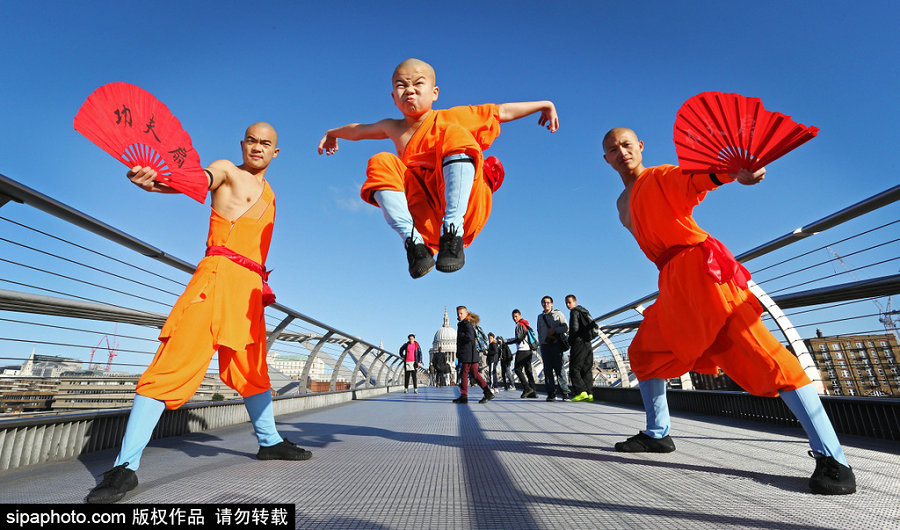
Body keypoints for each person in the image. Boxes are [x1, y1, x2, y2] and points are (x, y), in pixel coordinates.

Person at [602, 127, 856, 495]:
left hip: (704, 272)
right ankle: (658, 435)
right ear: (606, 159)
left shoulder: (659, 176)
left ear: (640, 146)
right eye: (613, 149)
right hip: (672, 281)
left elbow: (695, 180)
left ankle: (833, 458)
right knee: (645, 352)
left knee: (762, 353)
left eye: (627, 145)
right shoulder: (622, 203)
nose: (621, 152)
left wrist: (733, 174)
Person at [86, 123, 311, 504]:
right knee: (171, 366)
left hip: (250, 291)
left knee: (253, 370)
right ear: (243, 145)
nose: (258, 147)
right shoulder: (226, 169)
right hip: (216, 278)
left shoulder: (271, 191)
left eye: (266, 143)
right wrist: (155, 181)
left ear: (276, 153)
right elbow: (196, 180)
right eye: (252, 140)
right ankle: (124, 468)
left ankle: (269, 441)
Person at [318, 58, 559, 278]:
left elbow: (501, 111)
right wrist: (332, 133)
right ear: (393, 97)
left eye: (417, 84)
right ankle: (414, 245)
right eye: (401, 85)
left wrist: (543, 104)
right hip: (424, 221)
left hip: (462, 212)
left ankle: (452, 231)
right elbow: (359, 130)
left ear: (434, 93)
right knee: (381, 161)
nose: (409, 90)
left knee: (454, 133)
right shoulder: (393, 127)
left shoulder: (453, 117)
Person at [453, 306, 494, 404]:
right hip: (472, 354)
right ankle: (487, 392)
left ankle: (464, 396)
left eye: (461, 313)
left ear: (466, 313)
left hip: (468, 354)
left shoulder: (466, 324)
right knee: (474, 374)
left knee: (464, 374)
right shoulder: (468, 323)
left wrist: (461, 336)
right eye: (458, 313)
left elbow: (470, 337)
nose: (459, 315)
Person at [536, 296, 571, 401]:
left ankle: (565, 393)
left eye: (548, 302)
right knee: (547, 370)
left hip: (556, 344)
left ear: (552, 303)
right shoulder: (540, 317)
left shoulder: (558, 314)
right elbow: (539, 330)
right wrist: (542, 342)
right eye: (544, 303)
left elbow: (566, 327)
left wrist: (555, 330)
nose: (546, 304)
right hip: (545, 345)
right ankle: (551, 393)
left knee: (559, 368)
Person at [565, 294, 597, 402]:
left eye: (569, 302)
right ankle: (589, 394)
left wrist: (570, 340)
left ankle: (581, 392)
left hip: (579, 343)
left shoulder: (574, 312)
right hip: (588, 343)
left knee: (574, 368)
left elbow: (574, 329)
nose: (568, 305)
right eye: (566, 303)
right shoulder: (584, 311)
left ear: (575, 302)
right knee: (586, 369)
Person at [505, 310, 538, 399]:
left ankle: (527, 388)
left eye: (516, 316)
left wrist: (506, 341)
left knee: (517, 369)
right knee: (528, 370)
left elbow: (519, 338)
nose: (514, 318)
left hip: (522, 350)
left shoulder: (520, 325)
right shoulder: (525, 324)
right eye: (513, 317)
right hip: (529, 350)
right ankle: (533, 391)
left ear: (520, 315)